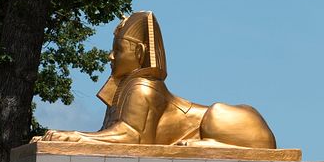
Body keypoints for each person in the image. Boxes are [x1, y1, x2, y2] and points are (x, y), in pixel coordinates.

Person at [40, 11, 277, 148]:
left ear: (139, 52)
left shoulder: (144, 88)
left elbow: (133, 139)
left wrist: (75, 137)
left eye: (118, 50)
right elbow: (110, 134)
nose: (110, 56)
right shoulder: (124, 90)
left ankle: (216, 145)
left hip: (245, 128)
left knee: (217, 112)